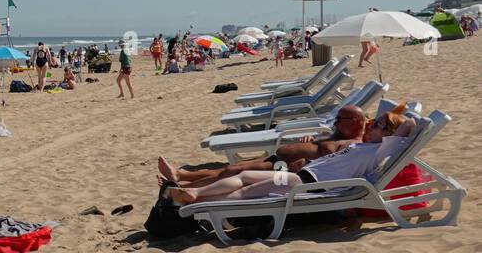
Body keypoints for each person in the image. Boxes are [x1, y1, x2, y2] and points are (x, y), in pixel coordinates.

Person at [170, 106, 416, 205]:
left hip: (306, 184)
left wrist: (396, 122)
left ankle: (199, 201)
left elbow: (409, 125)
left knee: (246, 192)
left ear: (388, 135)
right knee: (244, 175)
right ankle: (195, 193)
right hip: (302, 175)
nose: (373, 124)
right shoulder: (366, 146)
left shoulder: (380, 151)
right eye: (373, 123)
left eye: (379, 124)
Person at [157, 105, 368, 187]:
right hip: (281, 162)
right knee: (226, 169)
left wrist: (304, 160)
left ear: (357, 122)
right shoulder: (339, 134)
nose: (335, 122)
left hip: (289, 171)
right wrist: (309, 145)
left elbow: (330, 167)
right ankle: (181, 175)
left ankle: (181, 190)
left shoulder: (353, 145)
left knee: (233, 170)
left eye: (341, 119)